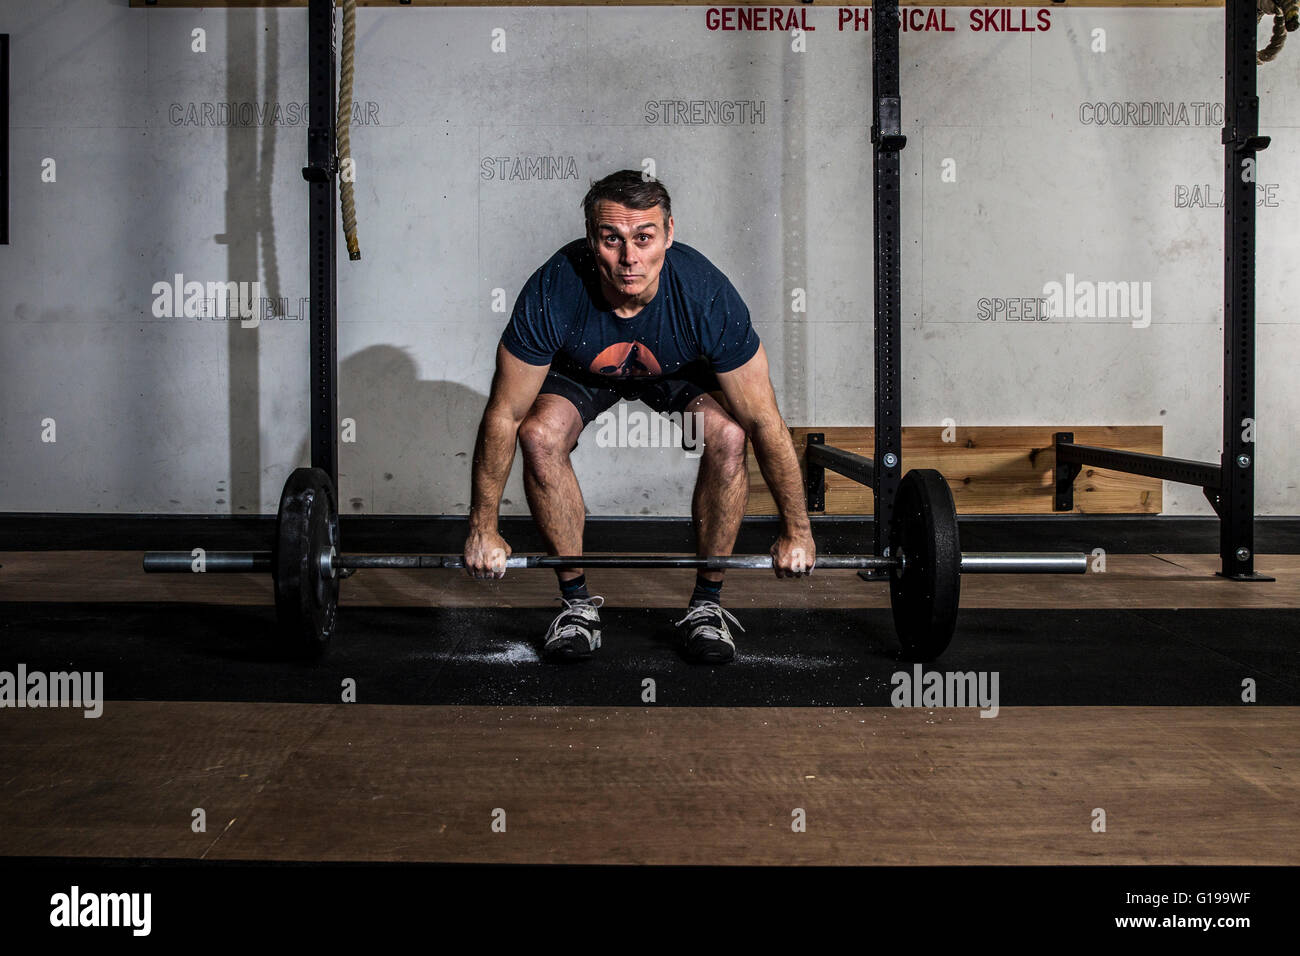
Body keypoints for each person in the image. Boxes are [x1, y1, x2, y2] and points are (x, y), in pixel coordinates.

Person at [463, 170, 815, 663]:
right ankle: (577, 606)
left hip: (678, 372)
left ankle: (707, 607)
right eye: (613, 239)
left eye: (645, 238)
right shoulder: (554, 289)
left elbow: (765, 421)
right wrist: (483, 526)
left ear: (669, 233)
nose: (630, 258)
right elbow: (503, 415)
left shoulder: (705, 294)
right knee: (539, 434)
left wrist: (797, 530)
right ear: (592, 239)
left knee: (731, 435)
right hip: (582, 372)